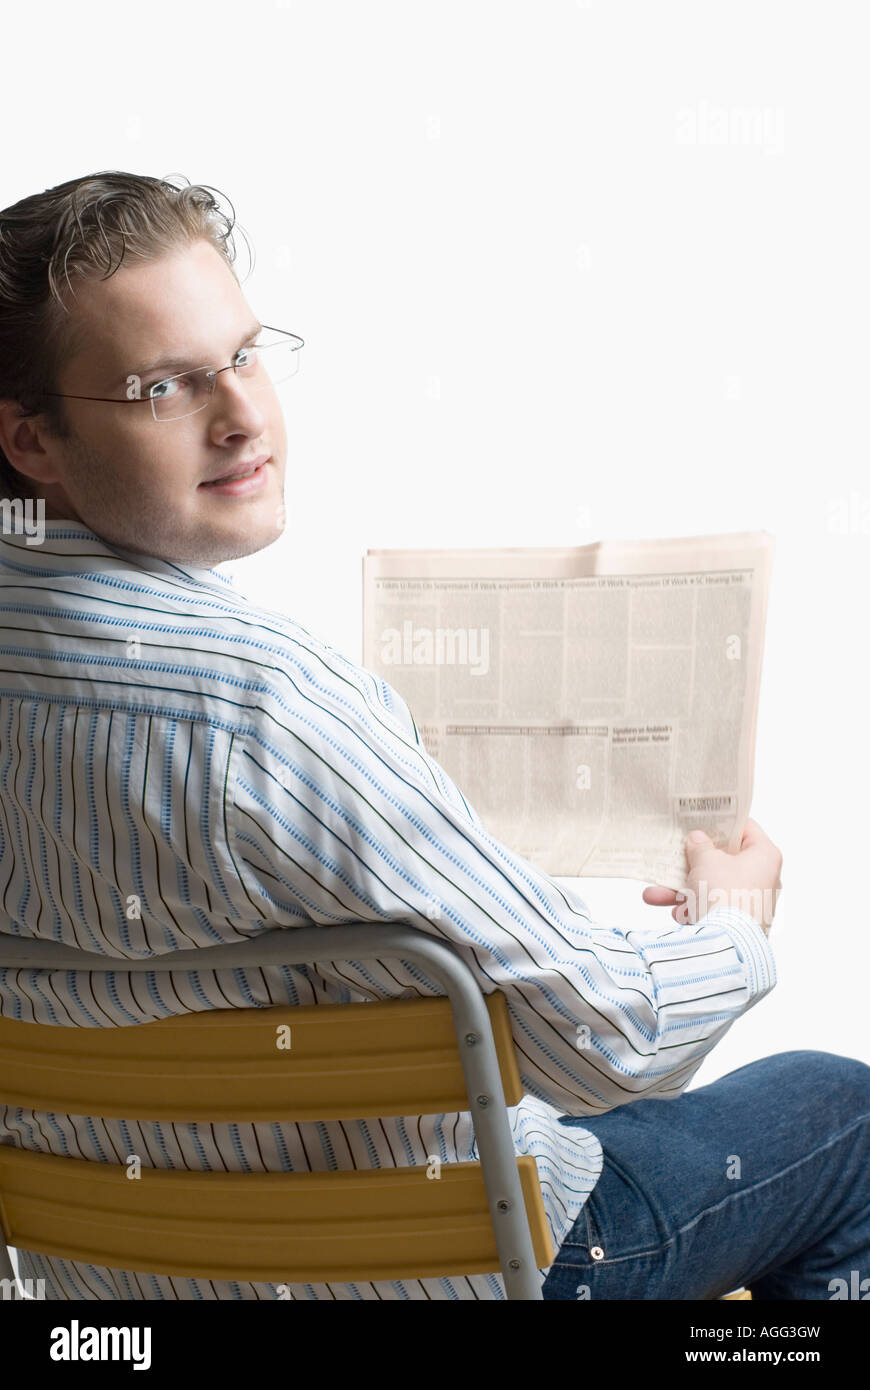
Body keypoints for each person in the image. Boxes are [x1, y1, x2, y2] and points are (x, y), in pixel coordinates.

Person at [0, 171, 866, 1302]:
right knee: (840, 1113)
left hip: (116, 1298)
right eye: (164, 385)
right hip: (445, 1273)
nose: (243, 415)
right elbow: (605, 1045)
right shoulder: (267, 710)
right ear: (32, 441)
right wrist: (733, 917)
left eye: (248, 353)